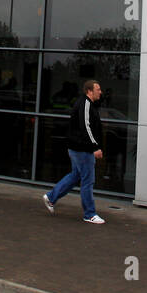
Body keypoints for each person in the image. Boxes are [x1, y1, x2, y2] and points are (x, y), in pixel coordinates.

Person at [41, 80, 105, 223]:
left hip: (77, 148)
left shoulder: (88, 104)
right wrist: (95, 146)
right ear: (89, 91)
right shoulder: (85, 104)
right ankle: (89, 214)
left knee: (76, 175)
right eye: (98, 89)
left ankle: (51, 197)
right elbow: (86, 127)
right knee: (88, 180)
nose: (100, 92)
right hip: (82, 149)